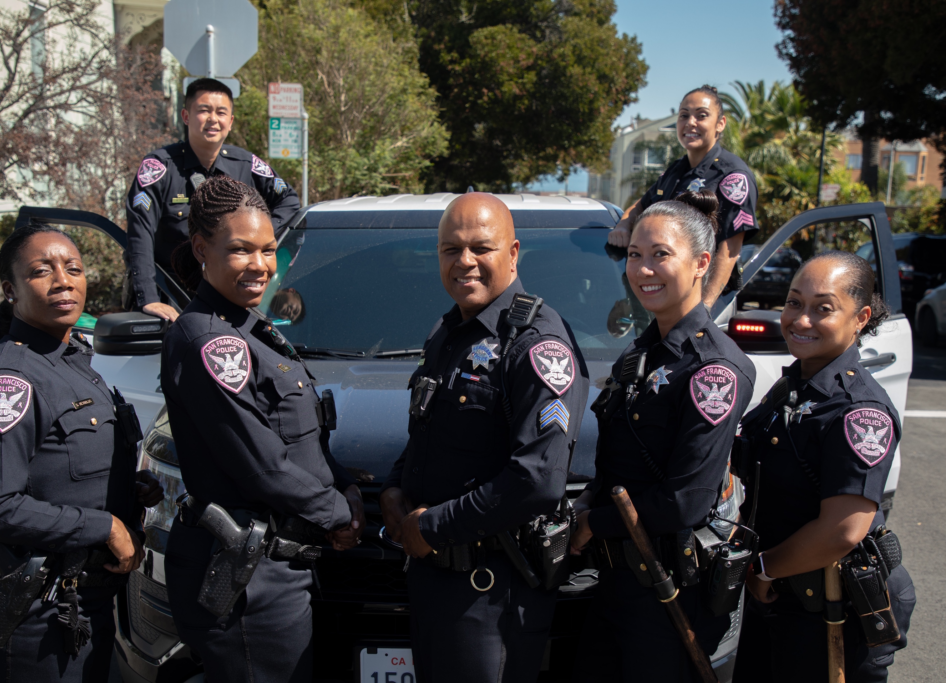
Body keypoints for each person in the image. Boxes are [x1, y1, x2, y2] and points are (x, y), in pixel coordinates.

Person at [160, 176, 365, 682]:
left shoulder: (251, 328)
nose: (260, 264)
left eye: (269, 250)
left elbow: (301, 440)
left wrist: (347, 485)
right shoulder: (209, 339)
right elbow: (259, 462)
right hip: (249, 579)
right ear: (202, 248)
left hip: (281, 564)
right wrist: (340, 513)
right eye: (241, 250)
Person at [379, 193, 590, 683]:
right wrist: (394, 487)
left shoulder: (537, 346)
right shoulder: (452, 331)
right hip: (438, 580)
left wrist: (430, 526)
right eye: (450, 250)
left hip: (491, 588)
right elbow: (431, 429)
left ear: (513, 253)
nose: (464, 261)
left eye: (481, 248)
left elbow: (537, 480)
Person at [0, 223, 163, 682]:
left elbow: (60, 468)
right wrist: (103, 524)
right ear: (11, 290)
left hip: (81, 599)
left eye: (74, 268)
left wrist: (126, 488)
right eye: (42, 271)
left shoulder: (75, 362)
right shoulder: (7, 380)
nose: (64, 280)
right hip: (29, 613)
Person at [569, 190, 757, 682]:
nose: (643, 269)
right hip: (615, 583)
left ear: (700, 264)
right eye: (634, 255)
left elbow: (685, 502)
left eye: (660, 255)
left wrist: (592, 522)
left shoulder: (714, 367)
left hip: (670, 589)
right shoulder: (642, 353)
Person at [732, 251, 916, 682]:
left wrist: (763, 568)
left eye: (823, 308)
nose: (801, 319)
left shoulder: (858, 410)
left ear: (861, 317)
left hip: (836, 610)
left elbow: (843, 530)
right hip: (784, 599)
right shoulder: (791, 389)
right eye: (794, 303)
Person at [125, 78, 301, 323]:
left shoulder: (245, 164)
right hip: (173, 299)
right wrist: (149, 298)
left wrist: (258, 236)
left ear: (230, 122)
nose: (213, 119)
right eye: (204, 110)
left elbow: (289, 202)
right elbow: (140, 234)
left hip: (231, 299)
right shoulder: (159, 167)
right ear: (186, 116)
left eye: (221, 112)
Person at [608, 85, 759, 309]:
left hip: (704, 298)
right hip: (668, 292)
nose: (690, 122)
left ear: (720, 124)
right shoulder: (675, 171)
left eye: (702, 115)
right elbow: (641, 206)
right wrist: (624, 224)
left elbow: (729, 252)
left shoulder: (733, 176)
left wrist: (703, 309)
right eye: (684, 115)